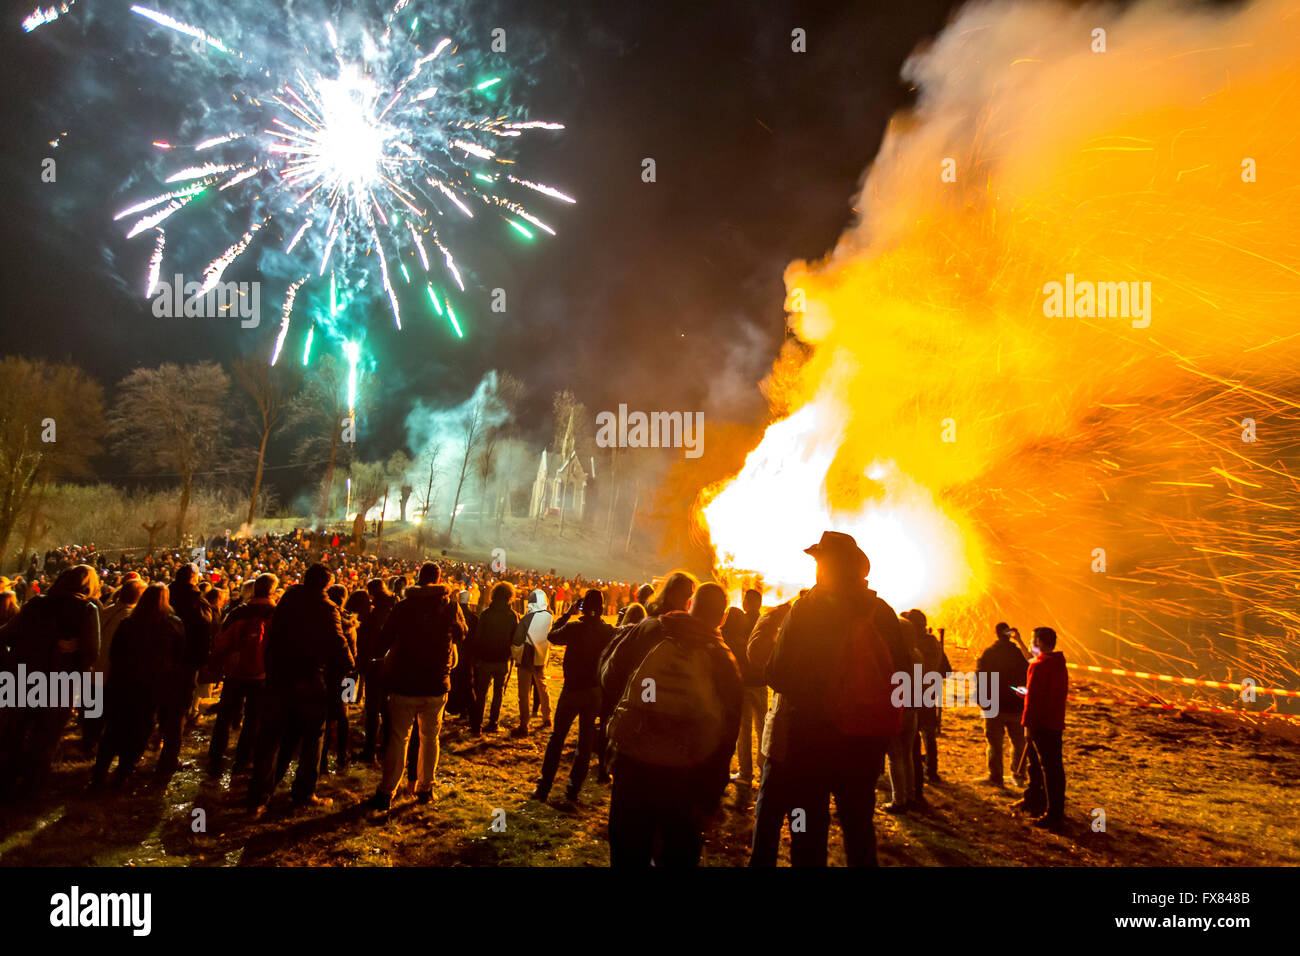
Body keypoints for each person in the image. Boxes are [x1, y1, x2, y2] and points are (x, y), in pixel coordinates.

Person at [764, 531, 910, 866]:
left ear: (826, 568)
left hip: (810, 741)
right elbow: (901, 673)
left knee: (805, 824)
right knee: (859, 824)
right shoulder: (883, 612)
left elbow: (776, 674)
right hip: (865, 741)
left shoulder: (806, 610)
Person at [601, 582, 742, 866]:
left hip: (635, 765)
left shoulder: (649, 630)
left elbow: (609, 677)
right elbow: (726, 736)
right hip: (686, 778)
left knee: (628, 851)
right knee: (677, 855)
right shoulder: (723, 659)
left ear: (690, 605)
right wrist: (710, 797)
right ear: (722, 617)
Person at [247, 563, 354, 815]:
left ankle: (259, 796)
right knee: (313, 736)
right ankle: (304, 792)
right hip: (308, 676)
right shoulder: (326, 608)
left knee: (271, 735)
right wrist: (348, 663)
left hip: (278, 675)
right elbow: (337, 642)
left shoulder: (287, 599)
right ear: (326, 584)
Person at [367, 562, 466, 815]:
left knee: (398, 739)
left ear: (419, 578)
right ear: (439, 579)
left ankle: (386, 792)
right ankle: (425, 788)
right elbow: (462, 633)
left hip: (405, 682)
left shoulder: (404, 606)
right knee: (430, 738)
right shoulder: (450, 606)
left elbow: (384, 638)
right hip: (436, 683)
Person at [0, 565, 101, 800]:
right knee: (45, 737)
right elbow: (92, 651)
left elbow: (6, 633)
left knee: (14, 732)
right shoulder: (87, 609)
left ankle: (5, 782)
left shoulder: (36, 604)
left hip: (22, 678)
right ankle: (31, 789)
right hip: (59, 683)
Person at [91, 584, 187, 787]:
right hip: (152, 686)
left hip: (124, 682)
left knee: (115, 726)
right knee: (140, 727)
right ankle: (125, 769)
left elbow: (115, 654)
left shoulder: (129, 623)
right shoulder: (172, 625)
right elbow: (179, 657)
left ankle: (100, 771)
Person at [533, 588, 615, 803]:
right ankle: (573, 790)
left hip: (572, 690)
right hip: (594, 691)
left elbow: (551, 635)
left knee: (557, 738)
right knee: (585, 742)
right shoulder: (608, 631)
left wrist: (567, 614)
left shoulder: (574, 628)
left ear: (583, 607)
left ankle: (544, 787)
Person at [208, 573, 276, 777]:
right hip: (262, 674)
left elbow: (221, 642)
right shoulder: (275, 613)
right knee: (253, 719)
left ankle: (216, 755)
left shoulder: (238, 612)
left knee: (225, 716)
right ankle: (244, 759)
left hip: (235, 673)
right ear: (272, 591)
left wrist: (223, 662)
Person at [82, 576, 144, 752]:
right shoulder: (130, 619)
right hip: (109, 672)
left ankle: (88, 739)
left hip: (94, 669)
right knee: (102, 710)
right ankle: (93, 742)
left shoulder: (106, 610)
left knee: (92, 709)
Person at [1020, 626, 1068, 830]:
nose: (1032, 644)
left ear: (1039, 642)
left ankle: (1051, 815)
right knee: (1055, 768)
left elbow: (1034, 700)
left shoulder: (1039, 666)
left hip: (1041, 724)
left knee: (1046, 769)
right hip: (1055, 722)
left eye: (1033, 640)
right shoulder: (1059, 663)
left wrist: (1028, 725)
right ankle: (1056, 810)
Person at [975, 622, 1029, 788]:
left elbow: (980, 678)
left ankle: (995, 776)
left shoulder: (989, 653)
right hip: (1016, 706)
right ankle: (1019, 775)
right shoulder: (1019, 654)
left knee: (994, 743)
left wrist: (981, 700)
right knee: (1019, 742)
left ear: (996, 634)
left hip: (994, 706)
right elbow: (1030, 667)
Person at [903, 608, 950, 799]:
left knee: (913, 736)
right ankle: (931, 769)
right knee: (929, 734)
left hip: (914, 692)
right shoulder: (934, 643)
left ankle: (915, 775)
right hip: (929, 692)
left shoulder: (912, 645)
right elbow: (945, 670)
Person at [723, 589, 766, 790]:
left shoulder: (739, 622)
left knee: (745, 730)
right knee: (763, 729)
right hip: (761, 683)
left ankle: (746, 773)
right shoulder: (766, 623)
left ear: (746, 603)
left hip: (745, 684)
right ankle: (765, 771)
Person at [468, 582, 517, 735]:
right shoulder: (512, 616)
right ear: (509, 596)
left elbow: (478, 637)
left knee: (481, 692)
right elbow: (515, 638)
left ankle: (476, 725)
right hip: (502, 660)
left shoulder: (486, 614)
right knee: (498, 693)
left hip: (485, 659)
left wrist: (476, 657)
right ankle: (493, 723)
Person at [884, 615, 922, 813]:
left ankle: (898, 801)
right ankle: (910, 795)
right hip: (912, 708)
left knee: (895, 755)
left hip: (896, 709)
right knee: (907, 755)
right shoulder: (916, 655)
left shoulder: (893, 657)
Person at [170, 565, 216, 728]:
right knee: (181, 698)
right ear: (193, 578)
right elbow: (204, 626)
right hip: (188, 656)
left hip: (167, 655)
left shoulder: (167, 595)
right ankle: (172, 735)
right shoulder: (195, 600)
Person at [358, 578, 395, 763]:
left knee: (373, 708)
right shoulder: (393, 607)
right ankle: (387, 745)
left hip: (376, 664)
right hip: (389, 665)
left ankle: (370, 748)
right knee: (386, 707)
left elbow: (372, 640)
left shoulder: (376, 612)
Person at [510, 589, 553, 737]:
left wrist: (514, 651)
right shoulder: (549, 616)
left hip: (527, 656)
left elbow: (517, 638)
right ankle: (547, 716)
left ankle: (524, 724)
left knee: (524, 692)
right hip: (541, 655)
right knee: (543, 687)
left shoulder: (527, 619)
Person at [446, 590, 478, 719]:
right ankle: (470, 716)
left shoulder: (454, 614)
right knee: (468, 687)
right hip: (467, 657)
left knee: (453, 684)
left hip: (454, 654)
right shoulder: (474, 617)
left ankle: (454, 709)